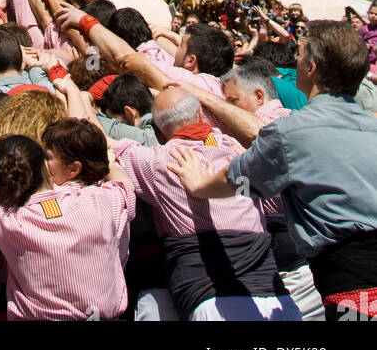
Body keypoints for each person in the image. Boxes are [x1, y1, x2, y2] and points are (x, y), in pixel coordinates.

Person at [169, 21, 377, 321]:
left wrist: (200, 184)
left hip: (355, 291)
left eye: (301, 56)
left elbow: (238, 180)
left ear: (311, 69)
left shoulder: (289, 133)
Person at [114, 86, 300, 322]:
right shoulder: (237, 153)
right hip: (277, 301)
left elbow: (104, 144)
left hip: (214, 303)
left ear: (159, 134)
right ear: (201, 115)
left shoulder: (159, 162)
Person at [0, 123, 134, 321]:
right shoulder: (99, 201)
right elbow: (125, 186)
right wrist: (109, 164)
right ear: (43, 169)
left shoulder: (8, 218)